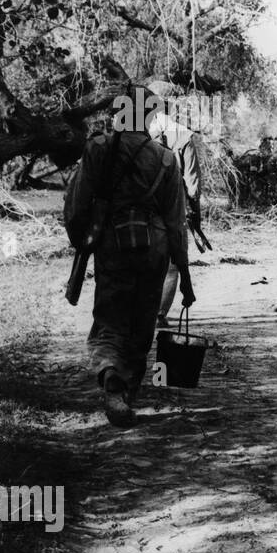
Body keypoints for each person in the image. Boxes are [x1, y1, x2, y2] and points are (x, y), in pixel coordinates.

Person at [64, 114, 195, 428]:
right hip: (155, 247)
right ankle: (127, 392)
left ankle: (111, 375)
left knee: (110, 318)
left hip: (113, 242)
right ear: (148, 118)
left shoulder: (97, 148)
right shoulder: (164, 157)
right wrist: (185, 276)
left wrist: (81, 240)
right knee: (142, 320)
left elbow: (78, 202)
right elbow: (176, 223)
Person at [147, 104, 203, 329]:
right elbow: (192, 180)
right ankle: (159, 314)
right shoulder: (183, 136)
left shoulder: (135, 133)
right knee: (173, 263)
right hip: (173, 206)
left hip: (141, 207)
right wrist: (194, 211)